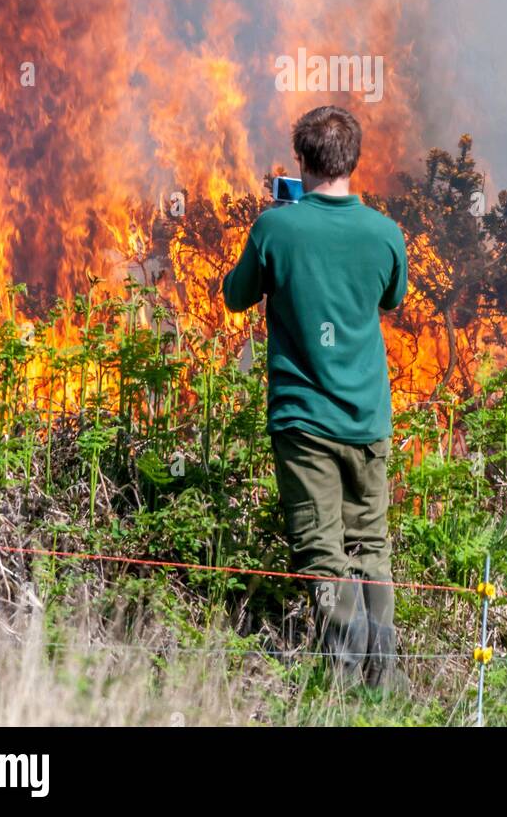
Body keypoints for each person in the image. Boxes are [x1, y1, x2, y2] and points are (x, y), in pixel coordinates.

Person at [222, 104, 408, 690]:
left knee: (322, 550)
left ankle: (343, 682)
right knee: (369, 546)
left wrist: (280, 226)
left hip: (304, 422)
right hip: (368, 419)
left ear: (301, 161)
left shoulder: (277, 228)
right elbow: (391, 299)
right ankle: (387, 678)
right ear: (354, 161)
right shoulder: (385, 233)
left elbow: (234, 296)